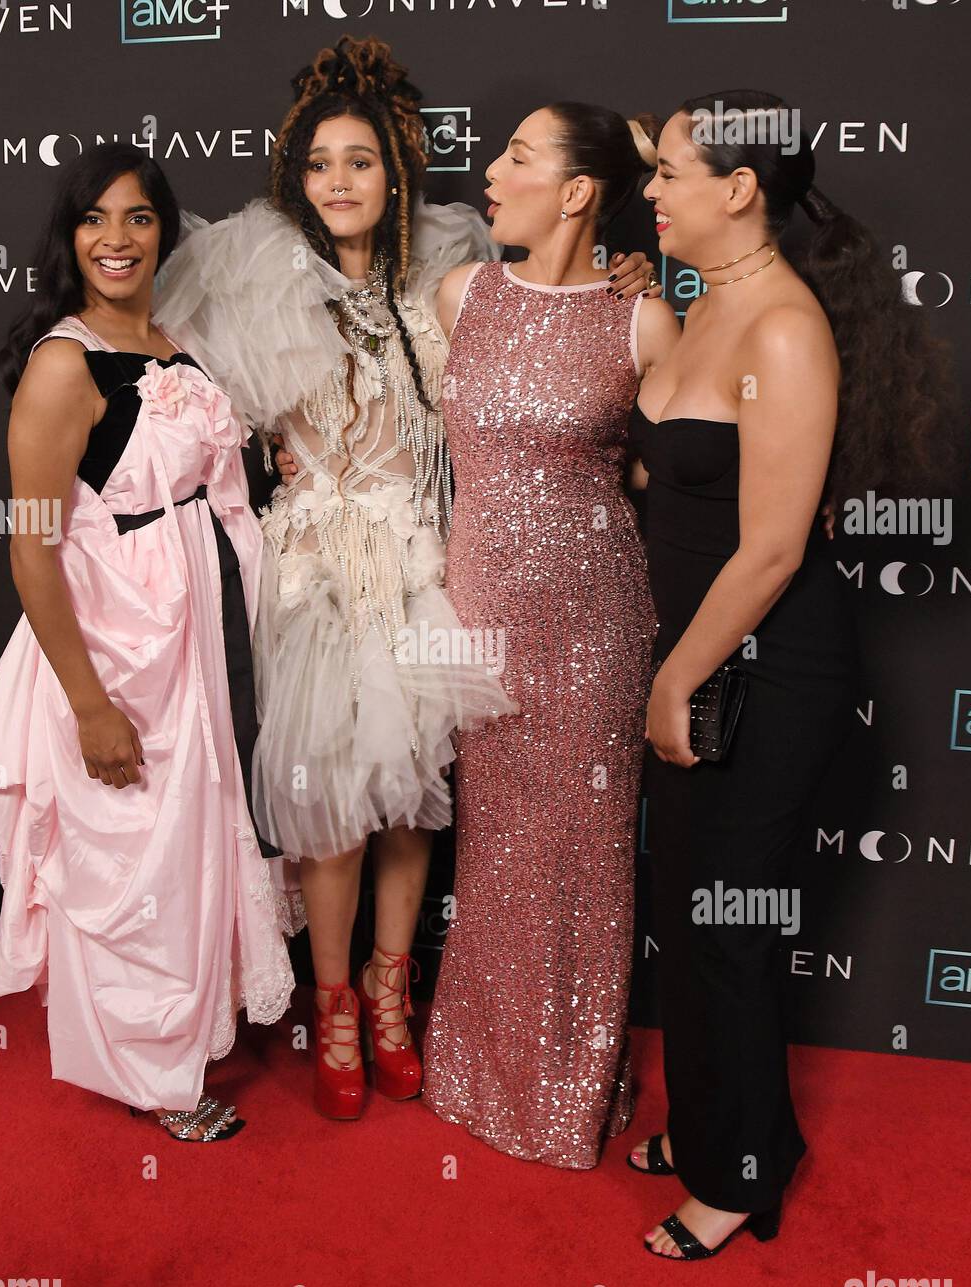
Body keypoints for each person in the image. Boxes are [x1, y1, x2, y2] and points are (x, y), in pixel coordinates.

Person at [155, 38, 665, 1121]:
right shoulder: (248, 283)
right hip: (313, 573)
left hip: (426, 561)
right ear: (296, 177)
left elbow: (550, 340)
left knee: (412, 798)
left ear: (395, 177)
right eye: (318, 164)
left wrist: (628, 271)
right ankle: (332, 1001)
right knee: (330, 798)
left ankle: (393, 991)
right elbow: (162, 372)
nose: (337, 182)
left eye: (361, 163)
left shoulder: (448, 284)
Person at [627, 91, 957, 1258]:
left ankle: (738, 1177)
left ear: (737, 188)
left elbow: (770, 546)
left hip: (763, 669)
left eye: (669, 173)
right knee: (692, 914)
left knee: (721, 926)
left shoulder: (779, 326)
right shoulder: (705, 305)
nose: (651, 191)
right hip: (707, 656)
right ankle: (726, 1120)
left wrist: (673, 680)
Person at [0, 144, 298, 1142]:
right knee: (132, 862)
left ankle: (189, 1028)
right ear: (69, 236)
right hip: (117, 650)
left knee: (189, 847)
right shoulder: (63, 365)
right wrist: (90, 703)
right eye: (95, 219)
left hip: (199, 642)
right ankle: (152, 1073)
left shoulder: (175, 339)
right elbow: (33, 554)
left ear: (164, 230)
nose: (118, 239)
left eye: (139, 218)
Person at [418, 103, 680, 1168]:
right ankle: (476, 1067)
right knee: (492, 856)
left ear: (577, 191)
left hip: (592, 628)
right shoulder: (459, 294)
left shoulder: (642, 323)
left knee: (579, 860)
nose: (490, 169)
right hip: (476, 624)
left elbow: (682, 474)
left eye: (517, 156)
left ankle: (568, 1088)